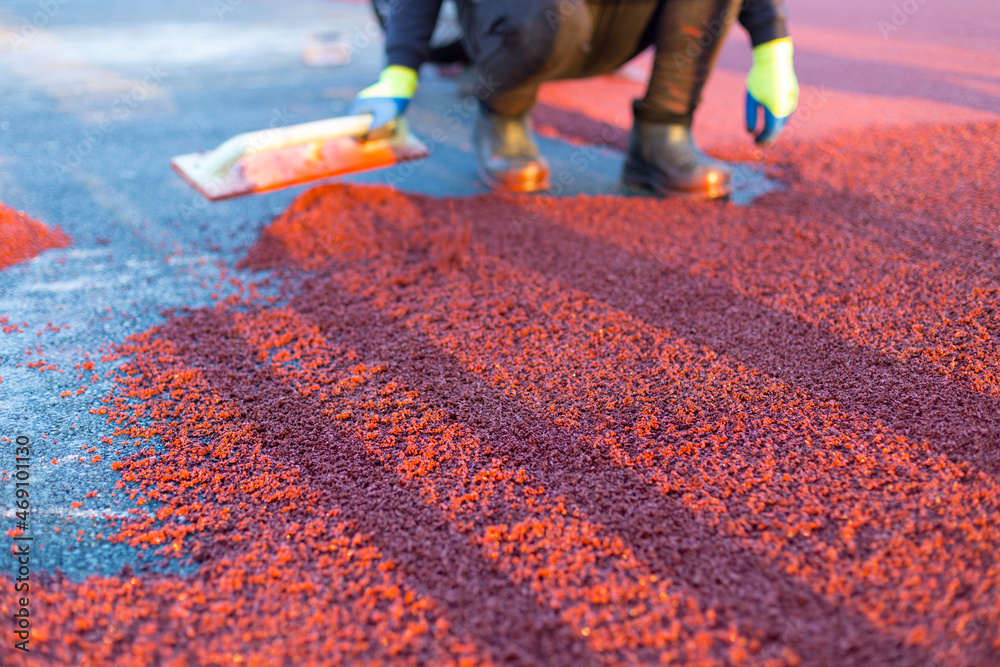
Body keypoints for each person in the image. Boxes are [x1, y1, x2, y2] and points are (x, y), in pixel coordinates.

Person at [351, 0, 798, 200]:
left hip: (617, 28)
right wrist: (399, 71)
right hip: (521, 22)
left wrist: (772, 47)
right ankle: (502, 117)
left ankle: (664, 131)